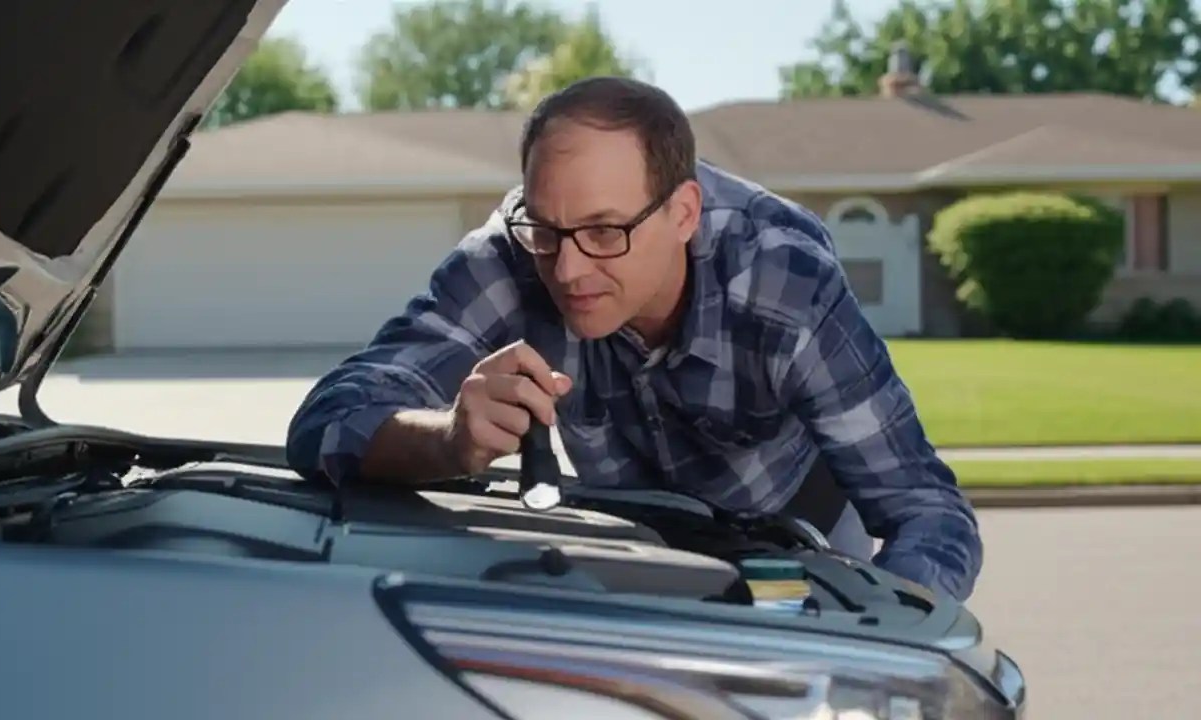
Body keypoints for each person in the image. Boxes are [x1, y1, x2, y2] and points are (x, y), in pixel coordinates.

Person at [286, 76, 983, 601]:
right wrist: (448, 439)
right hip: (636, 548)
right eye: (548, 230)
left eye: (603, 231)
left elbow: (929, 512)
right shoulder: (511, 255)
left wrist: (879, 633)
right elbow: (327, 419)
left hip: (800, 539)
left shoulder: (781, 280)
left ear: (683, 212)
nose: (567, 269)